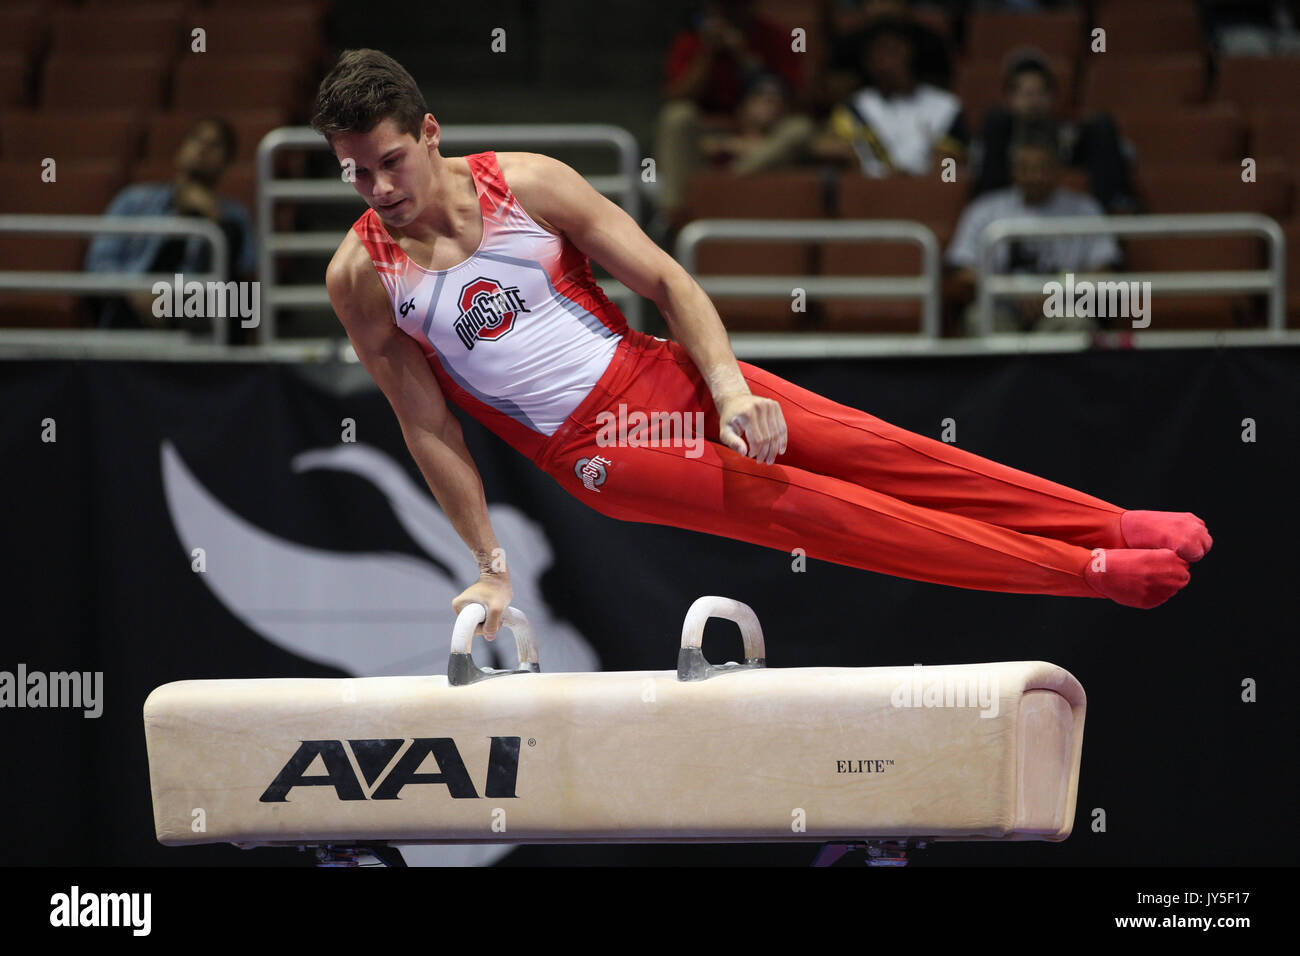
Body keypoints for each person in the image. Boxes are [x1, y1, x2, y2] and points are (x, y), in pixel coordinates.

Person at [313, 49, 1210, 639]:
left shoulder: (530, 186)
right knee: (830, 513)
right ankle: (1088, 572)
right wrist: (490, 567)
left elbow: (671, 283)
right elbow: (429, 428)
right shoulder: (363, 277)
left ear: (430, 135)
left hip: (658, 370)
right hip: (599, 449)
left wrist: (732, 392)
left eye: (390, 160)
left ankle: (1114, 521)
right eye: (355, 170)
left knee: (882, 451)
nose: (377, 187)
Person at [84, 117, 256, 341]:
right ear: (180, 150)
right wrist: (136, 291)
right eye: (196, 139)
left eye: (214, 145)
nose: (202, 149)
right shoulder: (133, 201)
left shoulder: (235, 217)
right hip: (132, 304)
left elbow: (245, 276)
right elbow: (99, 262)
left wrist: (214, 218)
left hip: (193, 312)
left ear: (226, 162)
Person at [948, 120, 1122, 332]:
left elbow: (1103, 269)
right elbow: (961, 269)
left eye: (1043, 168)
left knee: (1078, 325)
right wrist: (1010, 290)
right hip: (1000, 304)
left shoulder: (1085, 209)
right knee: (979, 320)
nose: (1035, 176)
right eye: (1026, 169)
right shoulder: (984, 209)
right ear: (1012, 170)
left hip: (1064, 305)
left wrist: (1055, 293)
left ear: (1058, 168)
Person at [654, 0, 816, 224]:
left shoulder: (775, 37)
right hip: (708, 135)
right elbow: (675, 95)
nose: (727, 13)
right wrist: (707, 54)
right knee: (677, 116)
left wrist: (743, 55)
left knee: (800, 128)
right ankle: (674, 218)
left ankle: (724, 186)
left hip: (763, 137)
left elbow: (795, 98)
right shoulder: (692, 40)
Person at [970, 49, 1136, 212]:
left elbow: (1127, 151)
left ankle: (1113, 205)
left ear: (1052, 97)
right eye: (1026, 94)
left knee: (1101, 123)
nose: (1033, 102)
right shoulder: (997, 129)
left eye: (1040, 93)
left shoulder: (1068, 133)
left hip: (1064, 202)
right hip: (1005, 205)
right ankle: (988, 210)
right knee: (994, 119)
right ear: (1009, 98)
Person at [810, 17, 966, 176]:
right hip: (868, 192)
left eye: (892, 52)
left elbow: (951, 163)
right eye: (876, 55)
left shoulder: (945, 106)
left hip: (929, 190)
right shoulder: (854, 108)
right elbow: (823, 146)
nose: (885, 63)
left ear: (910, 53)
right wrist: (850, 156)